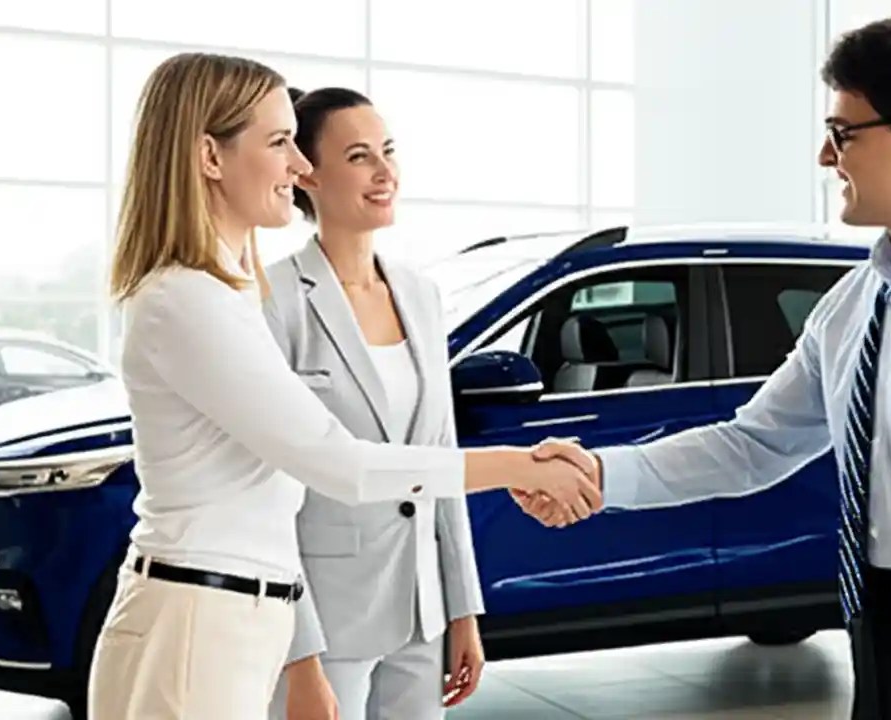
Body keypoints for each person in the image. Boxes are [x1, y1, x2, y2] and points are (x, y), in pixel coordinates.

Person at [522, 10, 891, 720]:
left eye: (844, 134)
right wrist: (602, 474)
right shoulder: (856, 301)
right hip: (884, 641)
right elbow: (753, 445)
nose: (824, 156)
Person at [90, 52, 600, 720]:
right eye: (280, 143)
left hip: (236, 617)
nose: (300, 166)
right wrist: (519, 466)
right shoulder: (188, 302)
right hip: (201, 625)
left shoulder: (225, 295)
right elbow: (338, 463)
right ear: (210, 158)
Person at [261, 86, 483, 720]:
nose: (385, 172)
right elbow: (269, 493)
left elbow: (440, 456)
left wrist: (462, 608)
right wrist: (297, 652)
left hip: (421, 610)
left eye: (388, 151)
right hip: (328, 618)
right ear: (307, 174)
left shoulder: (422, 295)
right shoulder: (275, 300)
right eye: (360, 156)